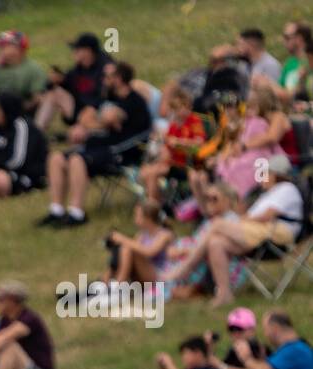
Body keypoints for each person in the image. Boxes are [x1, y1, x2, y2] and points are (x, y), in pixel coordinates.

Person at [164, 154, 305, 307]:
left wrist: (241, 220)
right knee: (216, 242)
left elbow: (267, 215)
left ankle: (184, 269)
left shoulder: (286, 189)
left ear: (275, 175)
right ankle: (224, 293)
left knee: (217, 224)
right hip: (260, 231)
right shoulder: (268, 193)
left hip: (276, 233)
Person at [39, 60, 152, 227]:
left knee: (77, 159)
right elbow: (85, 117)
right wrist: (99, 122)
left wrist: (97, 121)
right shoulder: (107, 97)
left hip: (120, 153)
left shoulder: (134, 101)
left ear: (119, 78)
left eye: (107, 76)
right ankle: (56, 210)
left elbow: (109, 118)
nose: (102, 79)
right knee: (56, 158)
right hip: (97, 148)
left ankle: (76, 213)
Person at [138, 86, 204, 205]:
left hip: (188, 164)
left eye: (186, 107)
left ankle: (154, 207)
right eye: (178, 108)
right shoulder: (173, 125)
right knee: (148, 173)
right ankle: (154, 206)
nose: (183, 111)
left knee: (153, 173)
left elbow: (199, 143)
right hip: (173, 162)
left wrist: (179, 142)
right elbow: (167, 145)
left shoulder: (194, 121)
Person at [35, 32, 110, 133]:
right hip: (79, 111)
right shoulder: (78, 68)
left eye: (77, 49)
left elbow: (107, 94)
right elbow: (53, 86)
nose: (74, 52)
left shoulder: (105, 67)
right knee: (53, 94)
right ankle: (36, 133)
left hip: (98, 113)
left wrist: (93, 108)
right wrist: (57, 80)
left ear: (88, 51)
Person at [102, 200, 173, 286]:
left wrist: (123, 239)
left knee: (127, 248)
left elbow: (150, 252)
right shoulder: (142, 235)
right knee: (124, 249)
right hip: (142, 274)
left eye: (137, 215)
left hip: (159, 275)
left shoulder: (164, 234)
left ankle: (118, 286)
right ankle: (105, 282)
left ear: (148, 218)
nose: (135, 218)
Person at [0, 30, 48, 114]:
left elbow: (38, 99)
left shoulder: (33, 69)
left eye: (3, 46)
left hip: (21, 116)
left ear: (17, 49)